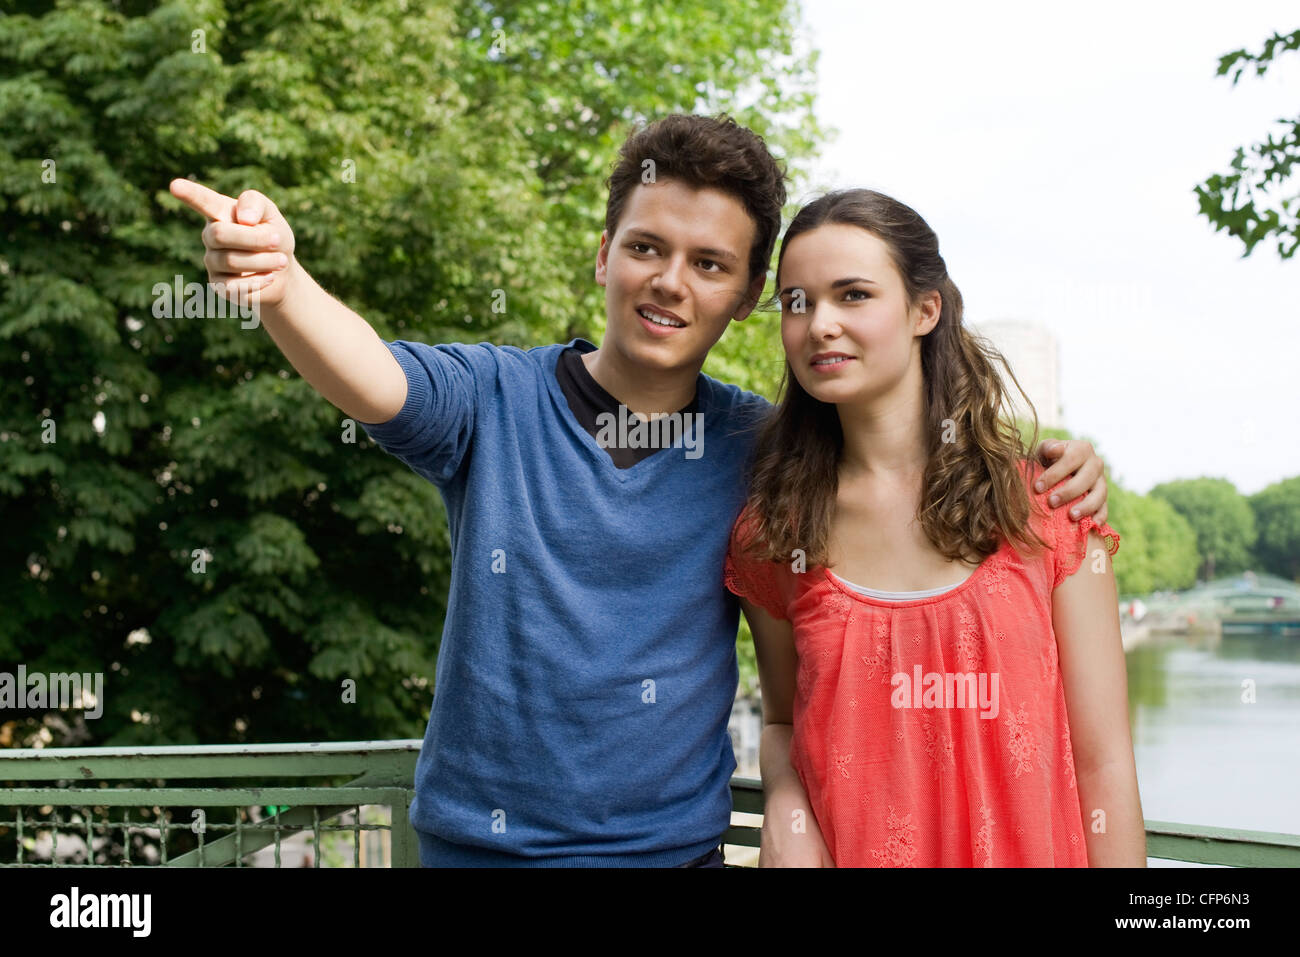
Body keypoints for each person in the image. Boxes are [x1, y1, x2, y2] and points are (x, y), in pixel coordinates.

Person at [169, 115, 1111, 867]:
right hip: (480, 852)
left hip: (674, 855)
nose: (670, 282)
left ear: (743, 296)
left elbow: (899, 448)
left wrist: (1055, 468)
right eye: (647, 248)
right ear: (604, 254)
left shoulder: (768, 452)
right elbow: (370, 374)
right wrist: (283, 284)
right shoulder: (495, 402)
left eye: (710, 265)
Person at [724, 188, 1145, 867]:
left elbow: (1104, 767)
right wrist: (786, 808)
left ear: (926, 309)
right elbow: (779, 722)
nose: (820, 323)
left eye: (853, 294)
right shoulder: (773, 531)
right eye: (797, 302)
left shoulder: (1047, 506)